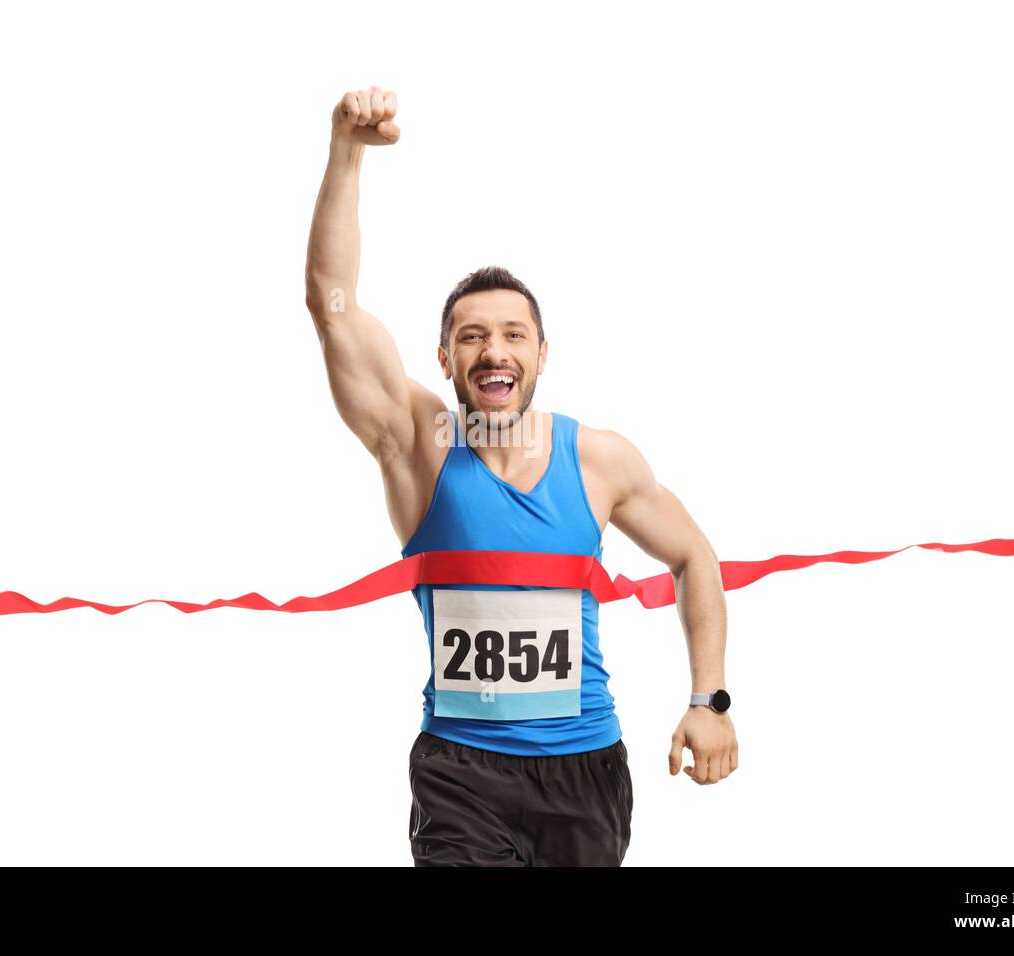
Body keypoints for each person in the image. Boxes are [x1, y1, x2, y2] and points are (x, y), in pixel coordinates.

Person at [304, 87, 738, 866]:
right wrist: (347, 152)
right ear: (445, 360)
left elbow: (693, 557)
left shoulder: (600, 459)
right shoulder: (419, 446)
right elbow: (334, 308)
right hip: (460, 775)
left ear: (541, 355)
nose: (493, 351)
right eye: (471, 336)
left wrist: (708, 700)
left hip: (586, 770)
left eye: (513, 335)